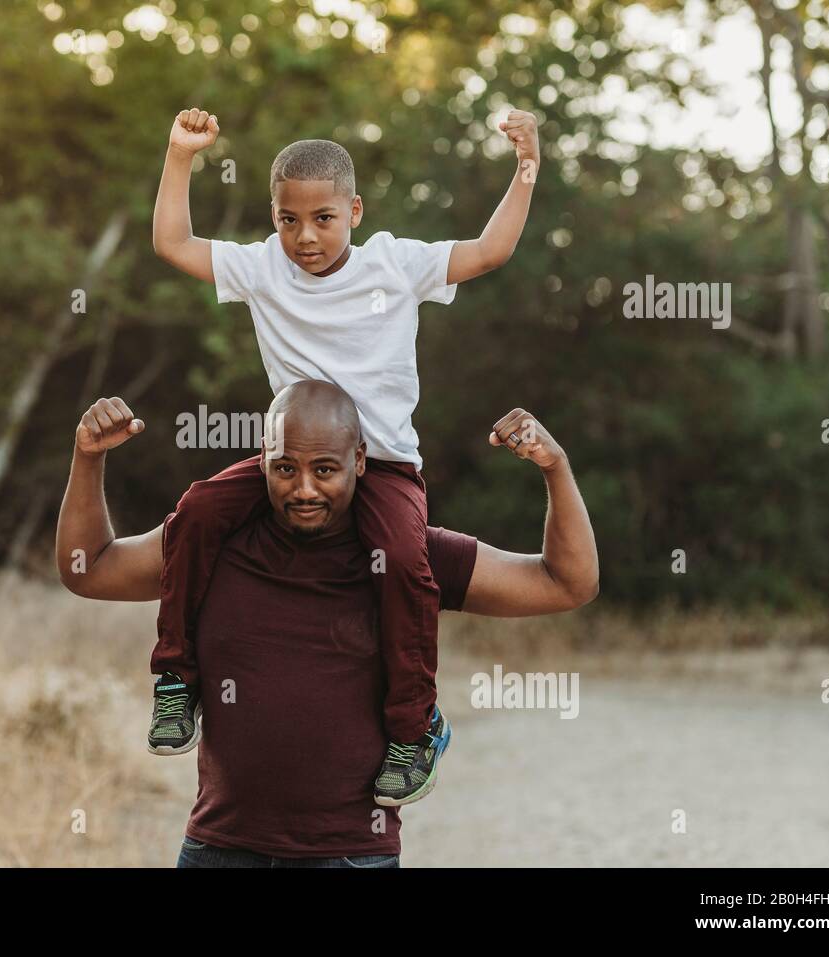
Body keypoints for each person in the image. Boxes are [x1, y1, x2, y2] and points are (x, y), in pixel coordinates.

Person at [148, 105, 542, 804]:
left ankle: (414, 727)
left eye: (323, 218)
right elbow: (174, 243)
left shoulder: (397, 262)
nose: (304, 237)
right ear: (273, 217)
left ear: (353, 210)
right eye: (288, 220)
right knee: (200, 509)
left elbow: (489, 251)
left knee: (403, 557)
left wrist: (525, 169)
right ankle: (177, 679)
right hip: (291, 459)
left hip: (383, 462)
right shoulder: (262, 267)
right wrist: (181, 155)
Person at [56, 382, 598, 867]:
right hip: (218, 849)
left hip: (349, 855)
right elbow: (89, 568)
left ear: (359, 461)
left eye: (325, 470)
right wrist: (88, 457)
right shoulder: (212, 542)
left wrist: (556, 468)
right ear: (263, 459)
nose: (305, 490)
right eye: (286, 468)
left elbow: (566, 583)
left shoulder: (407, 556)